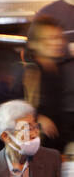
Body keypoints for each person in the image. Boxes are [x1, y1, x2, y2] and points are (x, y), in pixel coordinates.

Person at [15, 16, 71, 150]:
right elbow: (10, 109)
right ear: (34, 43)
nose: (58, 42)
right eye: (51, 38)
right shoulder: (29, 71)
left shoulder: (57, 70)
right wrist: (38, 117)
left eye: (59, 37)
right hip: (35, 148)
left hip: (54, 145)